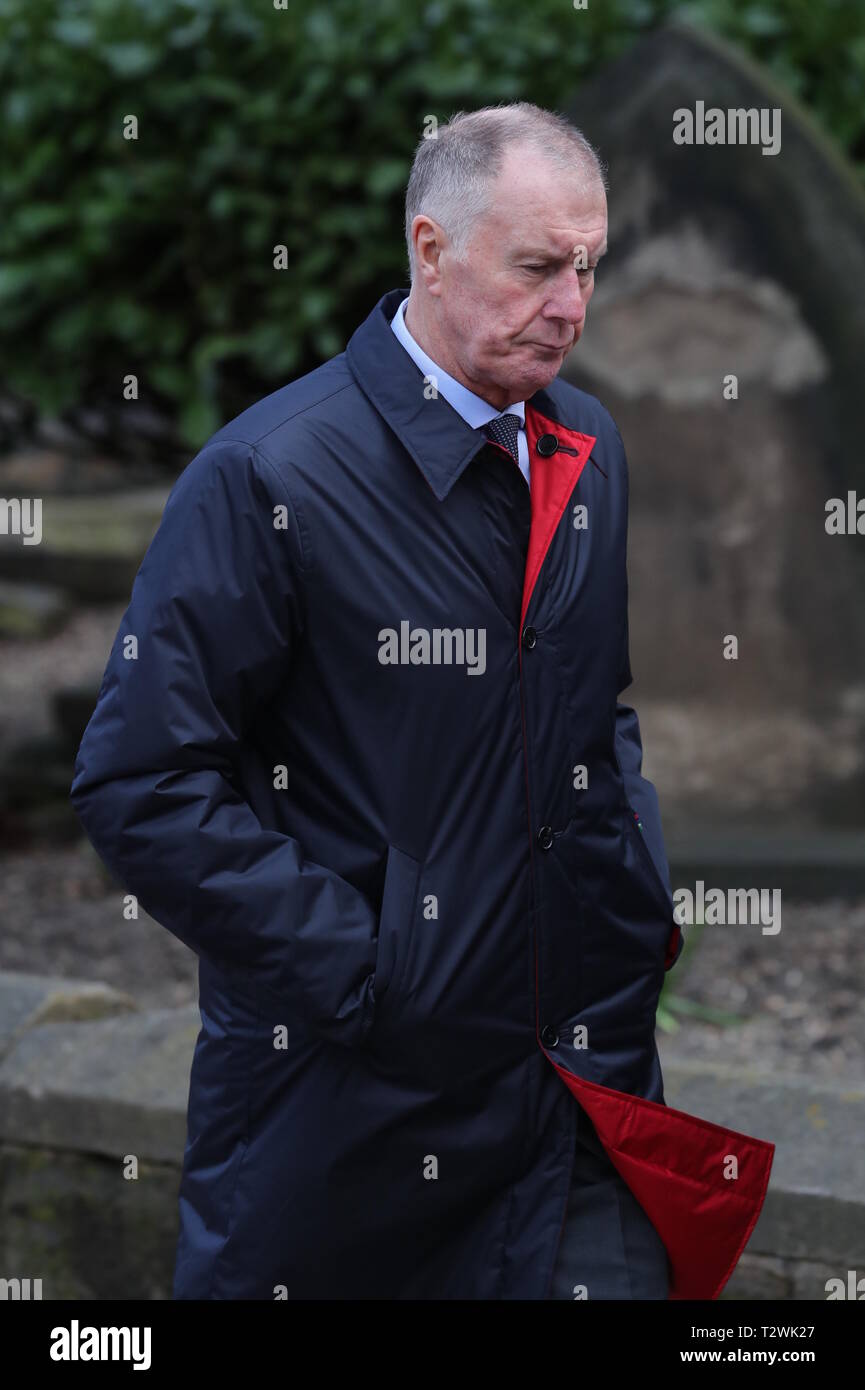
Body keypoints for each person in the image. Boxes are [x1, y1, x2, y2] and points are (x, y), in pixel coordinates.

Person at [70, 101, 774, 1300]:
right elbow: (140, 780)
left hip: (577, 1089)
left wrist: (627, 891)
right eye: (538, 267)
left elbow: (591, 708)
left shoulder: (584, 442)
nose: (571, 305)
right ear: (431, 250)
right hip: (348, 1121)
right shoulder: (267, 475)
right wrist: (374, 974)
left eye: (589, 266)